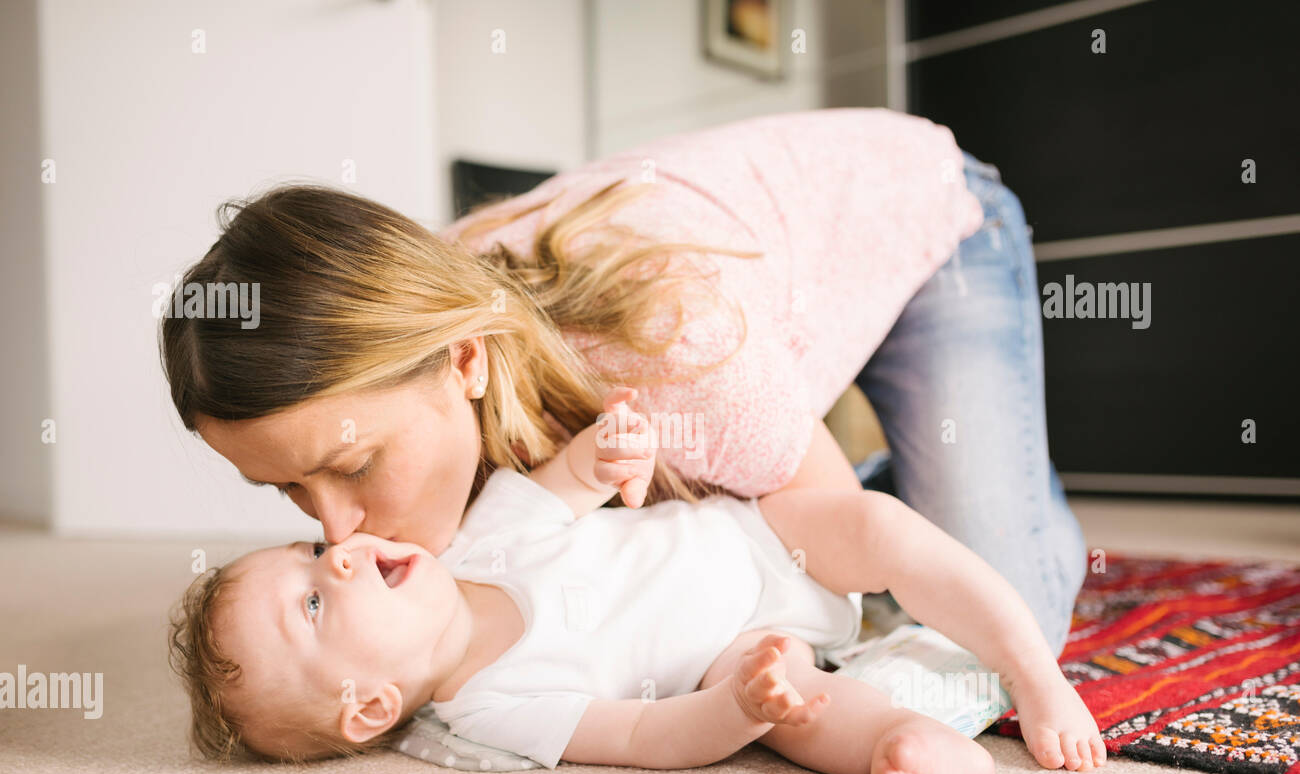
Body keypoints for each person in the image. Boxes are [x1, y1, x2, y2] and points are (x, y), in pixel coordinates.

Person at [160, 107, 1085, 660]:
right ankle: (802, 439)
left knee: (1004, 616)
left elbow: (833, 558)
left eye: (353, 465)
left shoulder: (670, 344)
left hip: (921, 212)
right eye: (286, 488)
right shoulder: (422, 331)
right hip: (743, 299)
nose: (333, 532)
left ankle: (876, 460)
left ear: (467, 363)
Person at [166, 388, 1104, 774]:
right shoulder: (495, 709)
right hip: (737, 646)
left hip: (770, 536)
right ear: (369, 705)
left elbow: (569, 481)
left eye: (314, 554)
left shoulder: (481, 540)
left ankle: (1035, 673)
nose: (346, 549)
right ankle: (926, 751)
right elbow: (649, 734)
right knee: (803, 717)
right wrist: (742, 703)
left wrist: (608, 452)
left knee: (884, 523)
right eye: (319, 601)